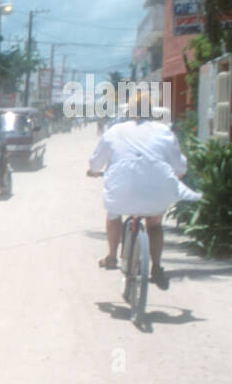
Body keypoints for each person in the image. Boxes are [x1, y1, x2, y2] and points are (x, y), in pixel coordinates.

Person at [86, 97, 200, 290]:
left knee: (114, 214)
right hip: (156, 192)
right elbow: (180, 167)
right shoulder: (164, 131)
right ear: (152, 112)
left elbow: (96, 163)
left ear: (128, 112)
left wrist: (94, 171)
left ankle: (113, 256)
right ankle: (156, 267)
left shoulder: (114, 131)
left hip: (122, 192)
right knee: (154, 225)